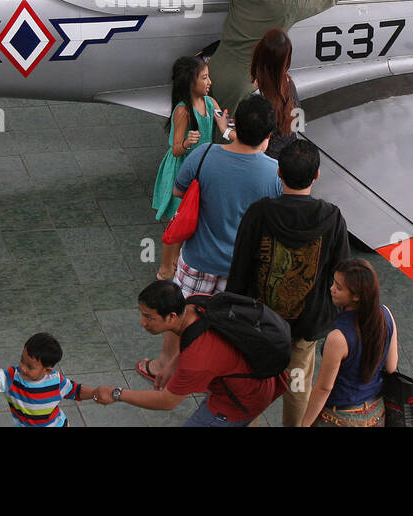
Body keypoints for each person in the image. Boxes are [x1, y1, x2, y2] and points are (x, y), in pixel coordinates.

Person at [138, 95, 281, 385]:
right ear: (268, 136)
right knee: (228, 323)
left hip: (196, 260)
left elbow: (179, 192)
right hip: (240, 269)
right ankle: (216, 372)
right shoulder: (274, 174)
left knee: (179, 313)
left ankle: (164, 363)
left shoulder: (204, 154)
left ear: (235, 125)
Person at [228, 140, 350, 427]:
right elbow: (342, 270)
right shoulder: (331, 218)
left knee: (252, 385)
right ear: (317, 175)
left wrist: (234, 314)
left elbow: (241, 266)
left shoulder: (259, 213)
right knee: (297, 387)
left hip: (259, 322)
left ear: (279, 173)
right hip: (305, 326)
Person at [94, 281, 285, 427]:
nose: (143, 323)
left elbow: (167, 401)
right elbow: (193, 337)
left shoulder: (198, 358)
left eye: (149, 317)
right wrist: (172, 365)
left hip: (240, 402)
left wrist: (116, 393)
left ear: (171, 317)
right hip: (254, 381)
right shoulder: (195, 303)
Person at [209, 0, 351, 117]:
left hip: (213, 69)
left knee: (206, 123)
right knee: (227, 137)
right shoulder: (286, 7)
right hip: (239, 85)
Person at [151, 56, 231, 280]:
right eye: (204, 78)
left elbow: (224, 126)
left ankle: (178, 262)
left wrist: (234, 133)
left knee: (190, 218)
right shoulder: (183, 112)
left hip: (201, 169)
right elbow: (176, 149)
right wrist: (187, 142)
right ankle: (166, 269)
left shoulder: (210, 103)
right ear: (189, 82)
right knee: (178, 221)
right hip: (182, 171)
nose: (209, 82)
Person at [300, 258, 399, 427]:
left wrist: (305, 423)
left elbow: (324, 388)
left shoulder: (338, 338)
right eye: (334, 283)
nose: (332, 289)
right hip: (376, 412)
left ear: (356, 296)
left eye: (339, 287)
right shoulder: (386, 315)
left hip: (341, 416)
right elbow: (391, 367)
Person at [249, 28, 299, 160]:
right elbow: (296, 124)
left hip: (267, 160)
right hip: (286, 158)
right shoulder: (288, 84)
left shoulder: (256, 96)